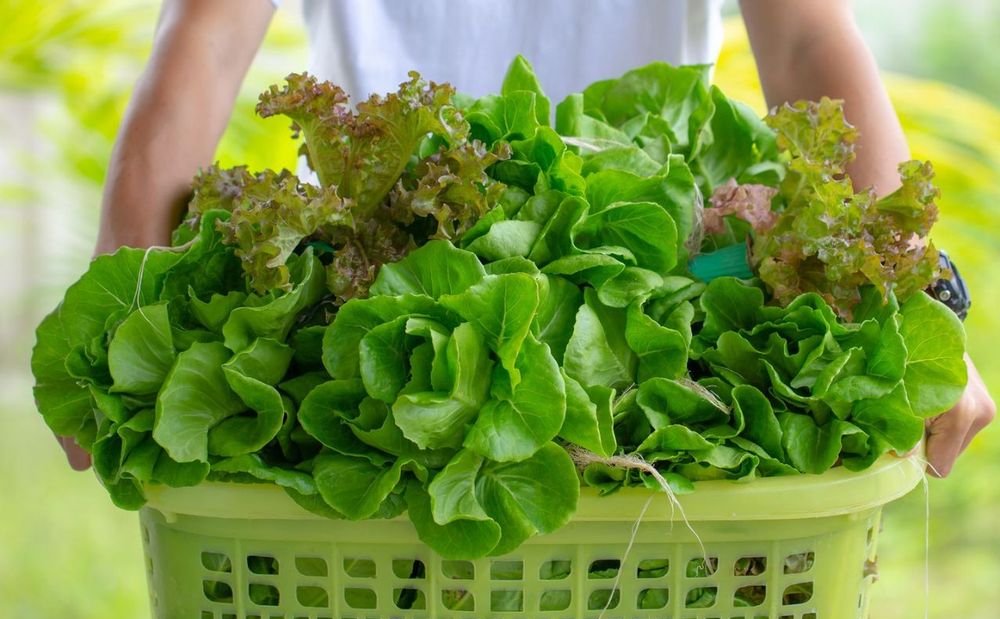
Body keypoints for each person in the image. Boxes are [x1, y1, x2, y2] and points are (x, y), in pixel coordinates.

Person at [58, 0, 995, 476]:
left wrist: (918, 298)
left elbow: (803, 36)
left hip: (655, 295)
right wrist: (117, 310)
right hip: (375, 309)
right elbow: (210, 33)